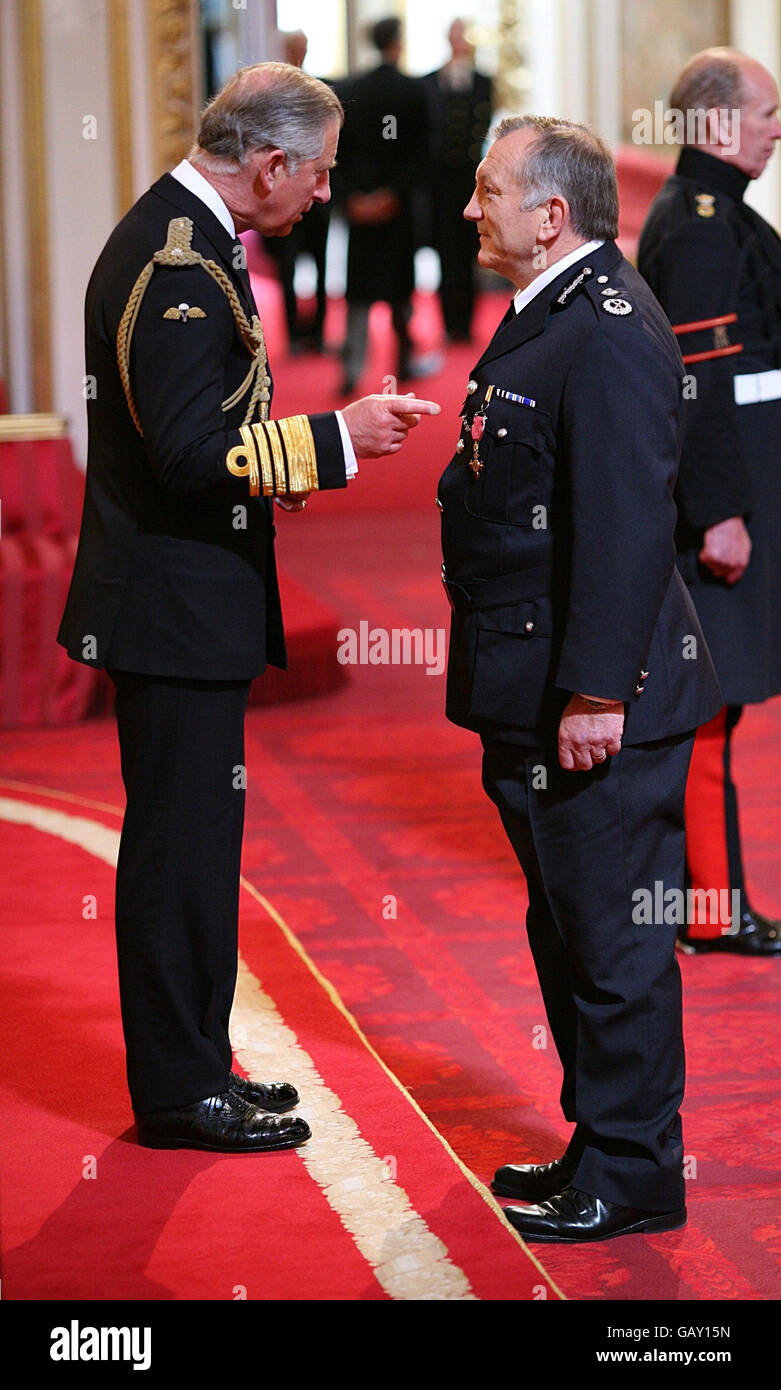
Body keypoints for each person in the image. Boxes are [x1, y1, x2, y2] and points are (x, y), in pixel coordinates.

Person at [58, 61, 439, 1154]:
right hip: (172, 606)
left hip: (187, 599)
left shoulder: (192, 231)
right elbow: (187, 454)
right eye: (316, 175)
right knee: (179, 851)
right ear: (268, 163)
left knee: (197, 843)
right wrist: (337, 441)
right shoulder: (177, 261)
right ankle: (180, 1091)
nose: (323, 195)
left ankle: (197, 1056)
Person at [438, 116, 722, 1242]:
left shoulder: (602, 326)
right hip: (536, 688)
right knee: (570, 935)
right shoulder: (556, 309)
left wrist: (597, 693)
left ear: (551, 214)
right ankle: (598, 1142)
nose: (470, 209)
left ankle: (637, 1168)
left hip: (597, 704)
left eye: (487, 191)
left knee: (613, 948)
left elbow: (621, 528)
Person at [639, 49, 781, 956]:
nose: (776, 128)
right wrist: (719, 510)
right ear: (719, 123)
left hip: (747, 484)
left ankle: (712, 898)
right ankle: (705, 904)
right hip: (723, 501)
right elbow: (700, 380)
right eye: (767, 112)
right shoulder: (695, 224)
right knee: (709, 707)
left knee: (720, 705)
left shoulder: (717, 211)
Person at [337, 16, 431, 394]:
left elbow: (336, 153)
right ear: (397, 42)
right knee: (399, 288)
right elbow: (424, 152)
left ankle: (351, 369)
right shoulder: (414, 91)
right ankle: (403, 362)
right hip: (399, 209)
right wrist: (393, 194)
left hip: (360, 210)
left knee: (358, 293)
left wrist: (353, 200)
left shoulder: (352, 89)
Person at [423, 20, 492, 341]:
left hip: (471, 181)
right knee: (445, 253)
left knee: (470, 251)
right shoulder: (433, 81)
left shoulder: (481, 82)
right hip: (440, 185)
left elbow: (482, 127)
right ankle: (448, 323)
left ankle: (465, 323)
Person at [264, 30, 332, 354]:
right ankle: (293, 333)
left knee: (320, 264)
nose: (298, 51)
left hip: (317, 204)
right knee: (287, 266)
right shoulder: (273, 97)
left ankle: (317, 333)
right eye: (293, 47)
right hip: (283, 196)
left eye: (302, 46)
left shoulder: (323, 92)